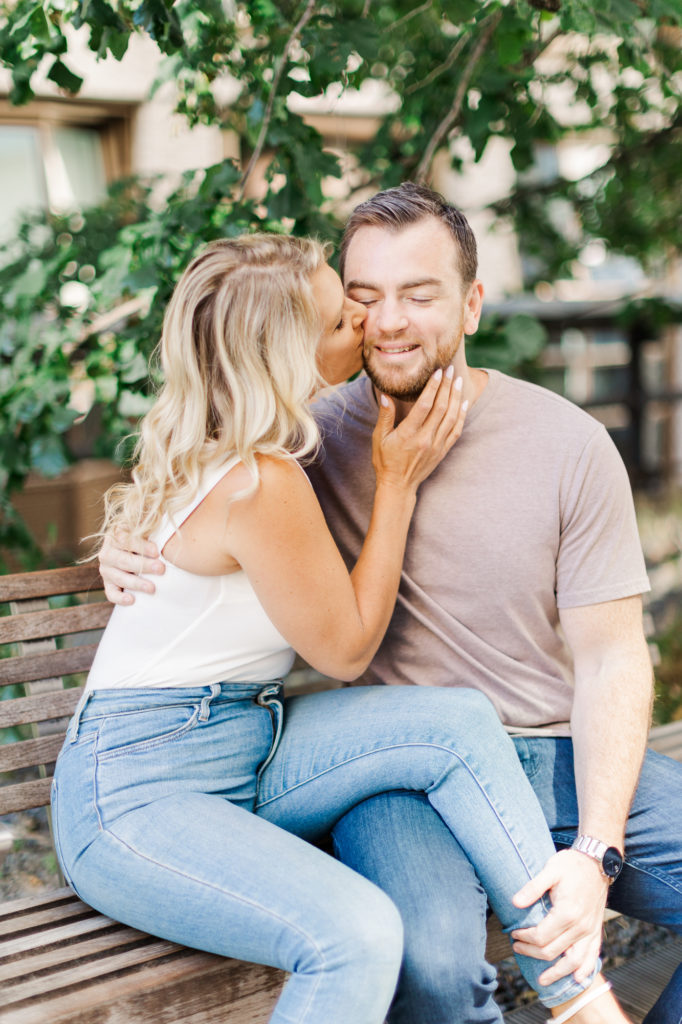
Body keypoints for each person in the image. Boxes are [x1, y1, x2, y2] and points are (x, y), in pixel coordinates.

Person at [57, 231, 627, 1024]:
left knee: (456, 723)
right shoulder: (262, 478)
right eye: (339, 322)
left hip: (242, 744)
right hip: (137, 794)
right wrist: (396, 483)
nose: (363, 328)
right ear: (284, 352)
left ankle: (580, 998)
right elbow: (348, 648)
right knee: (357, 935)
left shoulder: (245, 445)